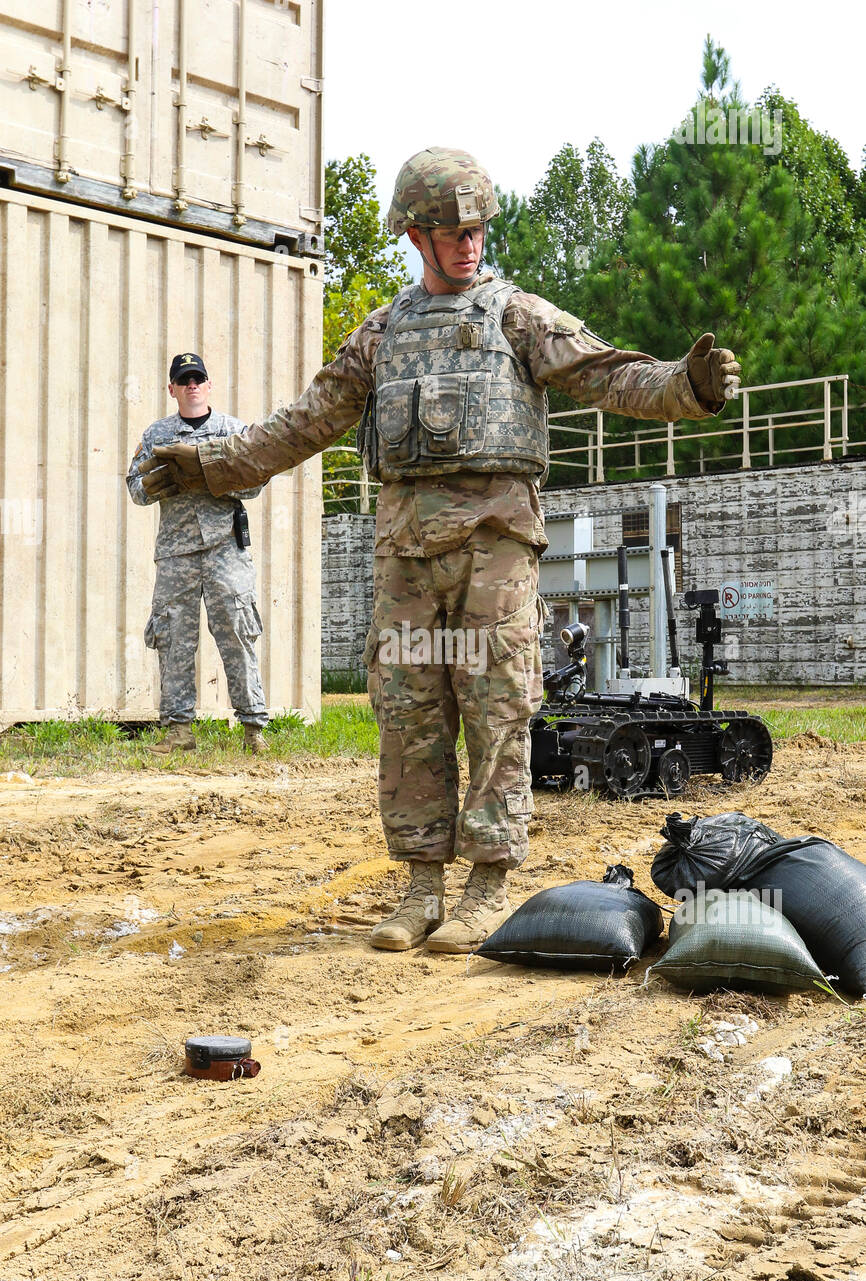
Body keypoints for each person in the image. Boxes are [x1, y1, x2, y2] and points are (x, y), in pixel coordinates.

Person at [137, 148, 741, 950]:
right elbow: (301, 425)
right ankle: (421, 888)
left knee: (497, 709)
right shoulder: (382, 334)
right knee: (411, 717)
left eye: (478, 228)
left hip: (495, 554)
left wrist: (686, 387)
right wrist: (210, 462)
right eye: (451, 231)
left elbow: (605, 373)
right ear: (415, 236)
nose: (469, 243)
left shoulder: (516, 316)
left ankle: (486, 887)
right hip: (406, 557)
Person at [127, 352, 268, 754]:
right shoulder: (157, 435)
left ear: (209, 386)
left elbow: (255, 483)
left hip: (226, 549)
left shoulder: (233, 432)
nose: (192, 386)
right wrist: (162, 482)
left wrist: (211, 473)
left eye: (198, 379)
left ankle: (254, 730)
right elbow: (135, 489)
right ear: (171, 389)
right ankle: (178, 732)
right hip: (176, 553)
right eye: (183, 380)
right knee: (172, 638)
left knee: (238, 633)